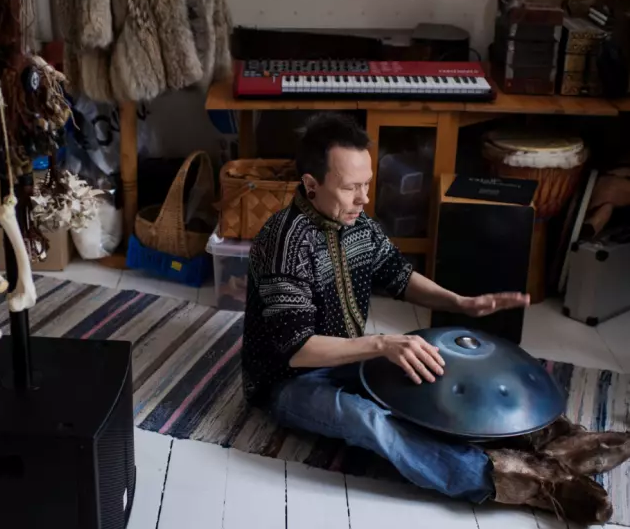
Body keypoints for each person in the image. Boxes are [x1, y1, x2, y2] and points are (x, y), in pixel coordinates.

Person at [243, 112, 630, 525]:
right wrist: (381, 344)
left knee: (434, 366)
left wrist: (459, 302)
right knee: (371, 420)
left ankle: (555, 438)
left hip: (346, 355)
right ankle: (531, 484)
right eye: (351, 188)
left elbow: (399, 275)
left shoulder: (357, 224)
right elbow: (298, 351)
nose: (364, 199)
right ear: (310, 185)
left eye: (367, 184)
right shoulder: (282, 243)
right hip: (286, 381)